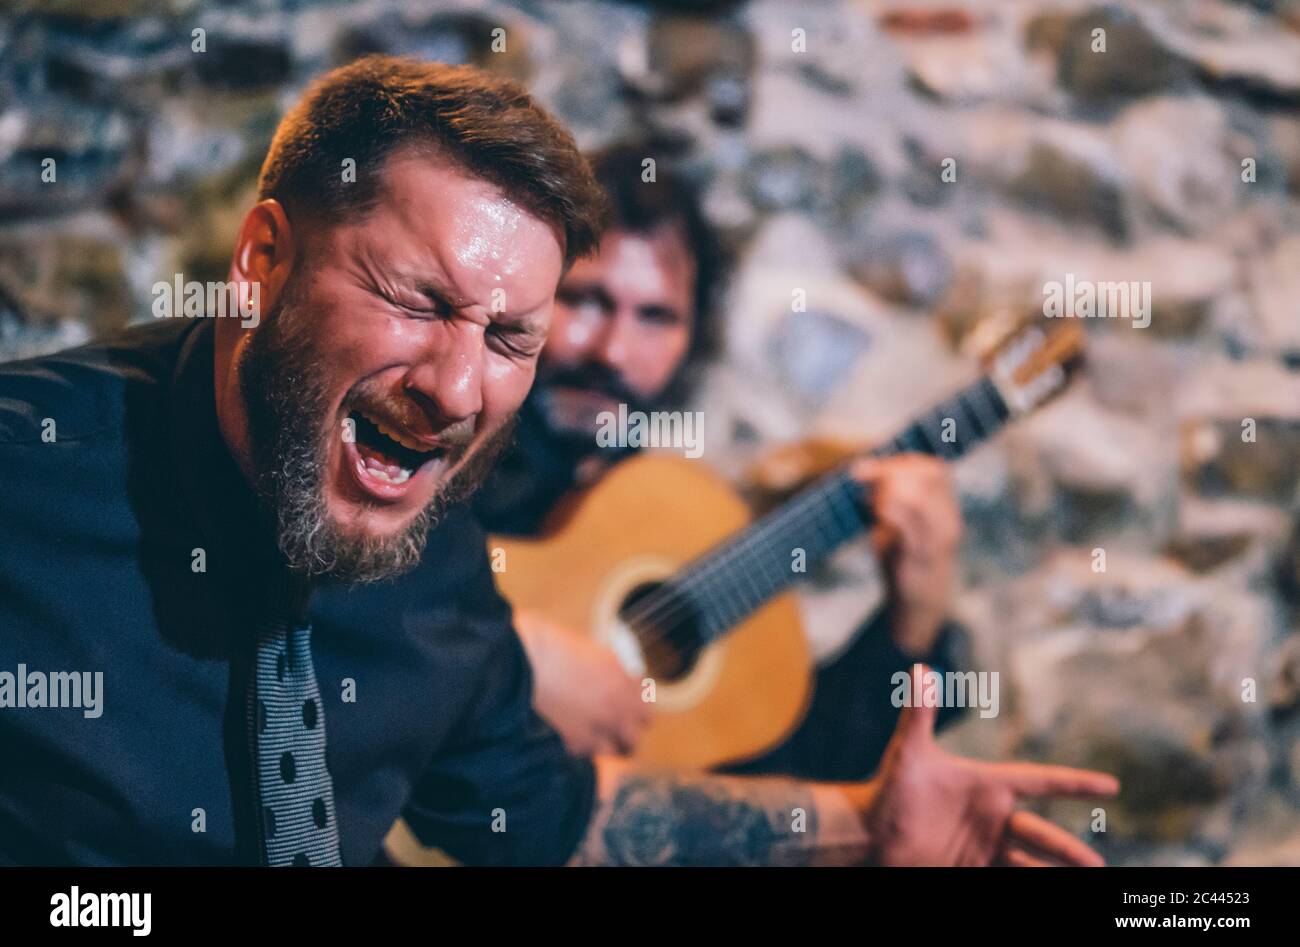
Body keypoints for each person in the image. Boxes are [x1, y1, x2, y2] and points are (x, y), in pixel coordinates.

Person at [0, 55, 1115, 867]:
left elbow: (544, 808)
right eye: (416, 300)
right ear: (261, 259)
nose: (456, 386)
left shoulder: (430, 534)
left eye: (509, 338)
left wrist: (860, 824)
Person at [479, 146, 969, 778]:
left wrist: (911, 624)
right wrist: (521, 659)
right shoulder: (436, 466)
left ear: (693, 337)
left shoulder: (666, 514)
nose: (613, 350)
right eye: (585, 299)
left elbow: (790, 779)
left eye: (655, 316)